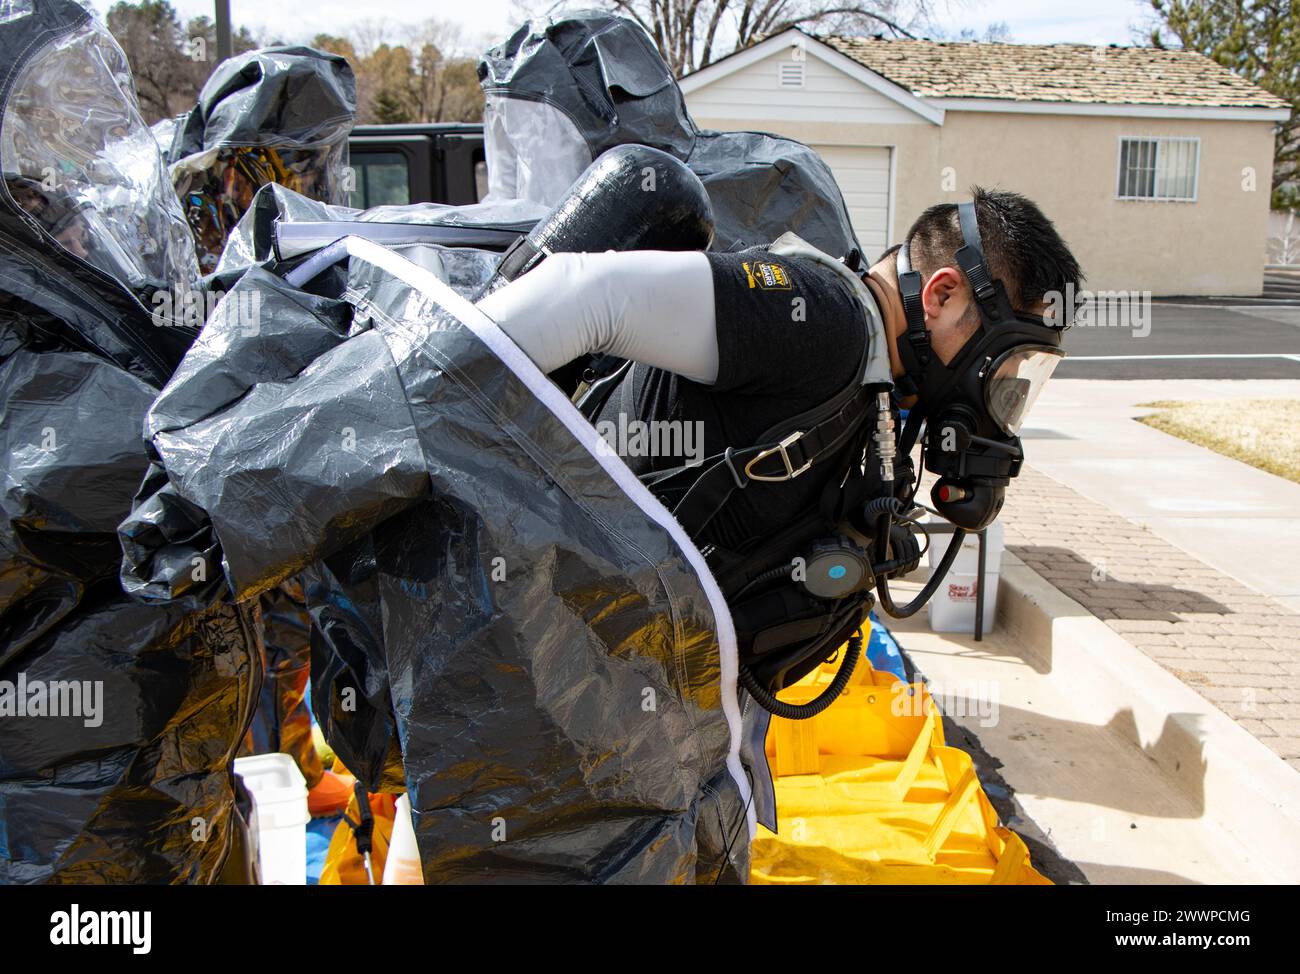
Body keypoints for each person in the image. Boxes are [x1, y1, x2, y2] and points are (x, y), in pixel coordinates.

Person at [478, 185, 1084, 559]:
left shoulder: (872, 380)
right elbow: (588, 294)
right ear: (943, 295)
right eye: (1008, 358)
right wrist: (439, 419)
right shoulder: (825, 320)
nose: (1001, 390)